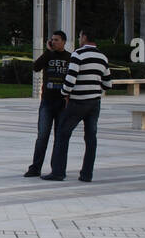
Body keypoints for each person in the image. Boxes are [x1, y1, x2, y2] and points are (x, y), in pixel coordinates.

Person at [47, 30, 112, 181]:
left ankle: (58, 172)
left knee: (62, 134)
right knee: (91, 138)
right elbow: (108, 84)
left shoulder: (78, 55)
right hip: (94, 102)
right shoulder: (102, 57)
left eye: (80, 36)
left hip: (77, 101)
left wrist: (64, 93)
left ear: (84, 37)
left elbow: (70, 80)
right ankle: (86, 173)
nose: (79, 39)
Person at [25, 30, 72, 177]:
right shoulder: (48, 55)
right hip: (47, 101)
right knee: (42, 135)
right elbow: (36, 67)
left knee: (60, 137)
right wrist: (47, 51)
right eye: (52, 39)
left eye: (57, 40)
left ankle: (57, 169)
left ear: (64, 42)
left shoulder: (70, 58)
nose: (53, 42)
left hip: (62, 103)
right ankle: (35, 168)